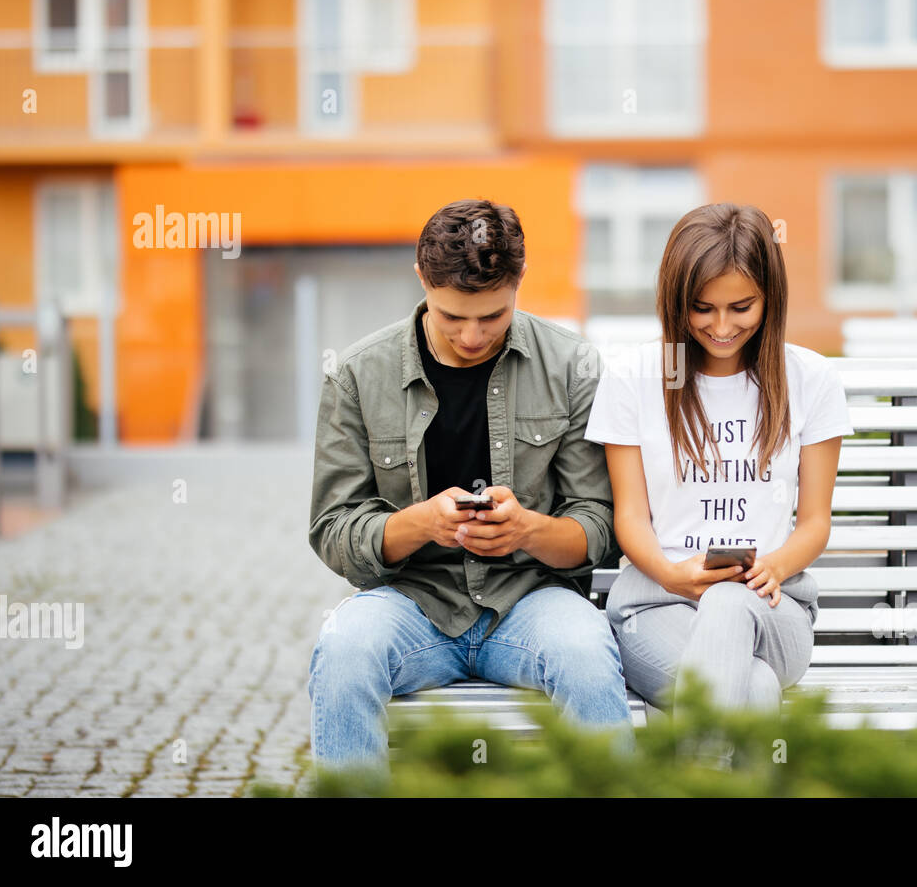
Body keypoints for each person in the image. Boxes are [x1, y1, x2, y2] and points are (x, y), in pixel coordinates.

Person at [307, 198, 632, 773]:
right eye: (452, 316)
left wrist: (529, 531)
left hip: (533, 601)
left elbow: (601, 528)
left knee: (587, 655)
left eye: (494, 316)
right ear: (421, 279)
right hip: (411, 603)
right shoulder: (358, 375)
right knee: (342, 650)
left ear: (520, 280)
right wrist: (420, 524)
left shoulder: (573, 365)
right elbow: (333, 530)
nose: (473, 336)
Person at [584, 203, 851, 714]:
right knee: (753, 691)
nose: (722, 326)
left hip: (775, 609)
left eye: (741, 307)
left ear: (770, 297)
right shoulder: (635, 377)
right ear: (674, 298)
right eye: (702, 308)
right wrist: (669, 573)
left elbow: (815, 523)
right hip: (657, 606)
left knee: (730, 600)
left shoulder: (810, 380)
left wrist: (772, 567)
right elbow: (631, 516)